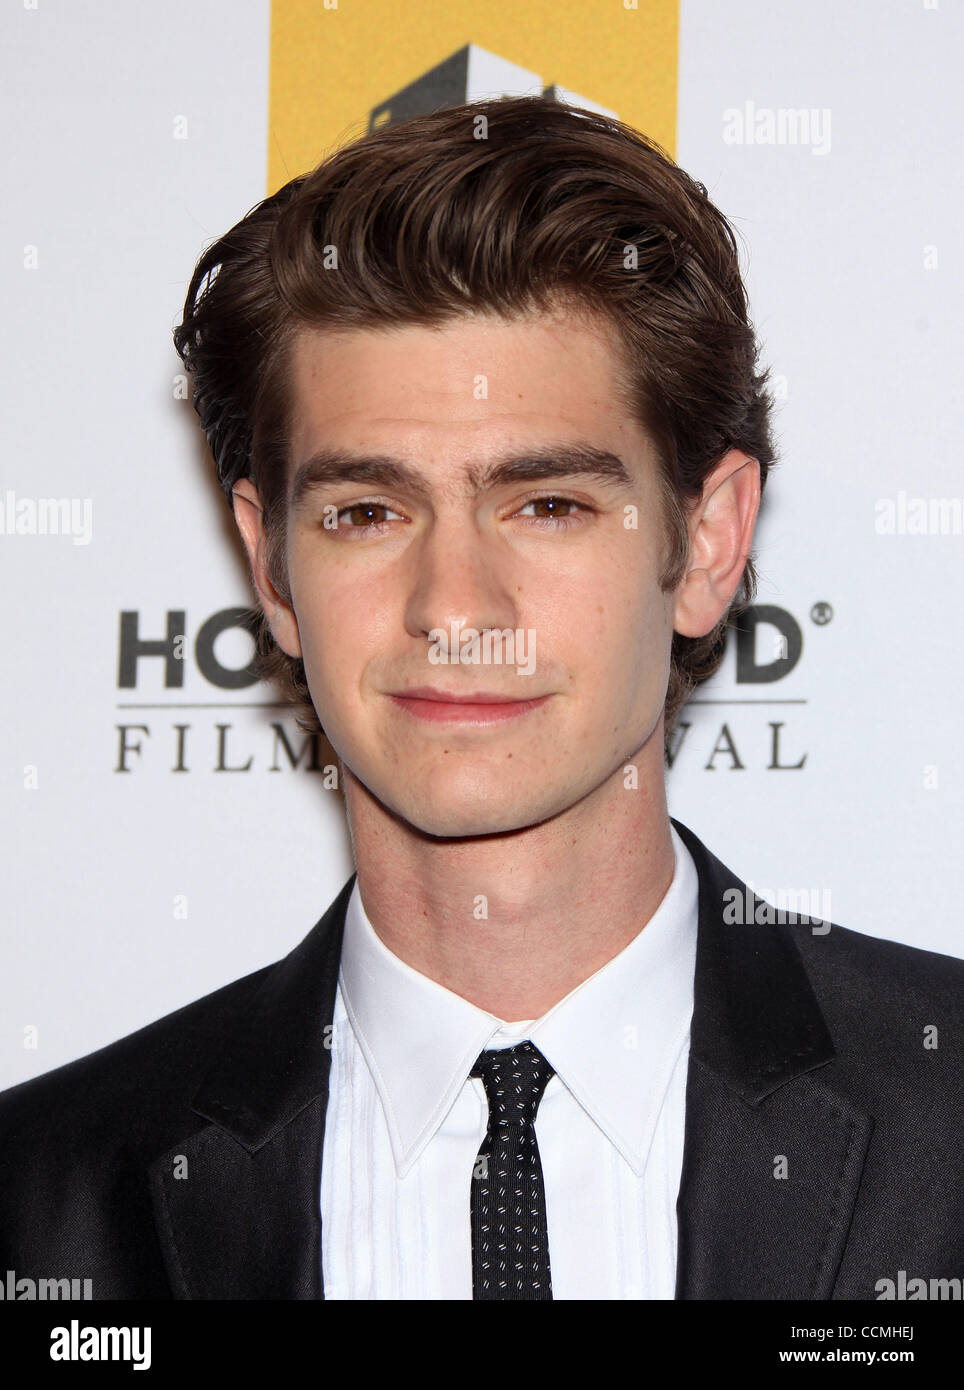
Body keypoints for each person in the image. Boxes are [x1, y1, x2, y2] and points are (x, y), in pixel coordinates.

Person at [1, 95, 962, 1301]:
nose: (453, 604)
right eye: (365, 511)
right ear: (273, 569)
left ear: (706, 540)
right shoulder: (45, 1198)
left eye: (547, 503)